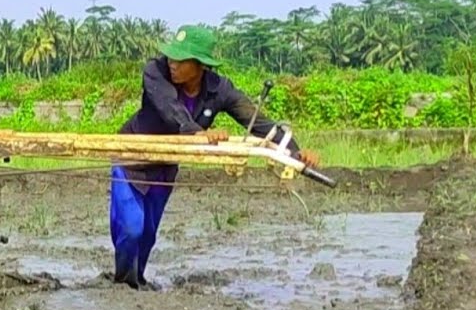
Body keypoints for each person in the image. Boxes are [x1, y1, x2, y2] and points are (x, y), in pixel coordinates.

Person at [109, 24, 320, 290]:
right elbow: (169, 108)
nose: (172, 63)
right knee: (131, 228)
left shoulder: (219, 89)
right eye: (171, 56)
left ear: (200, 65)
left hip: (165, 165)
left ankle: (137, 281)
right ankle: (122, 285)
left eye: (181, 59)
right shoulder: (155, 72)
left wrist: (295, 151)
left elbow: (257, 122)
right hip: (131, 158)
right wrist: (195, 132)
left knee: (148, 233)